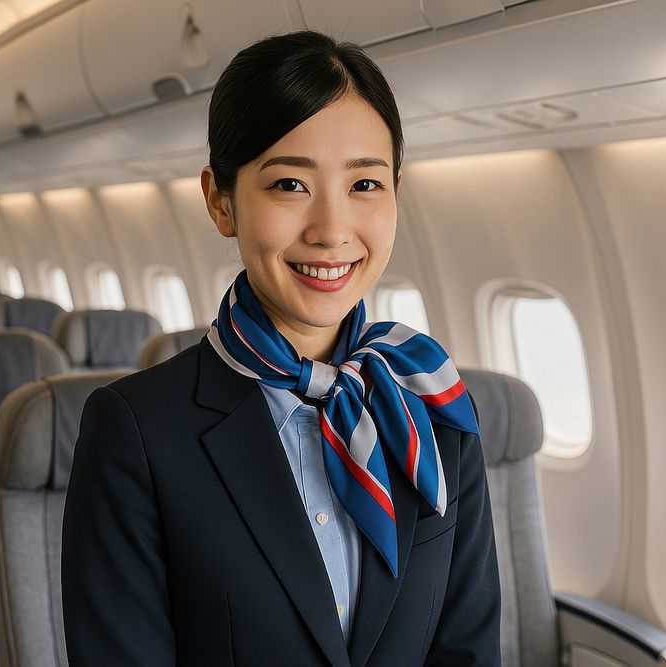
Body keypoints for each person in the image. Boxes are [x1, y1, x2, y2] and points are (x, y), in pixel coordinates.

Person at [61, 30, 500, 666]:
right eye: (291, 184)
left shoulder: (432, 402)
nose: (331, 231)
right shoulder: (136, 431)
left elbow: (468, 650)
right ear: (220, 202)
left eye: (365, 185)